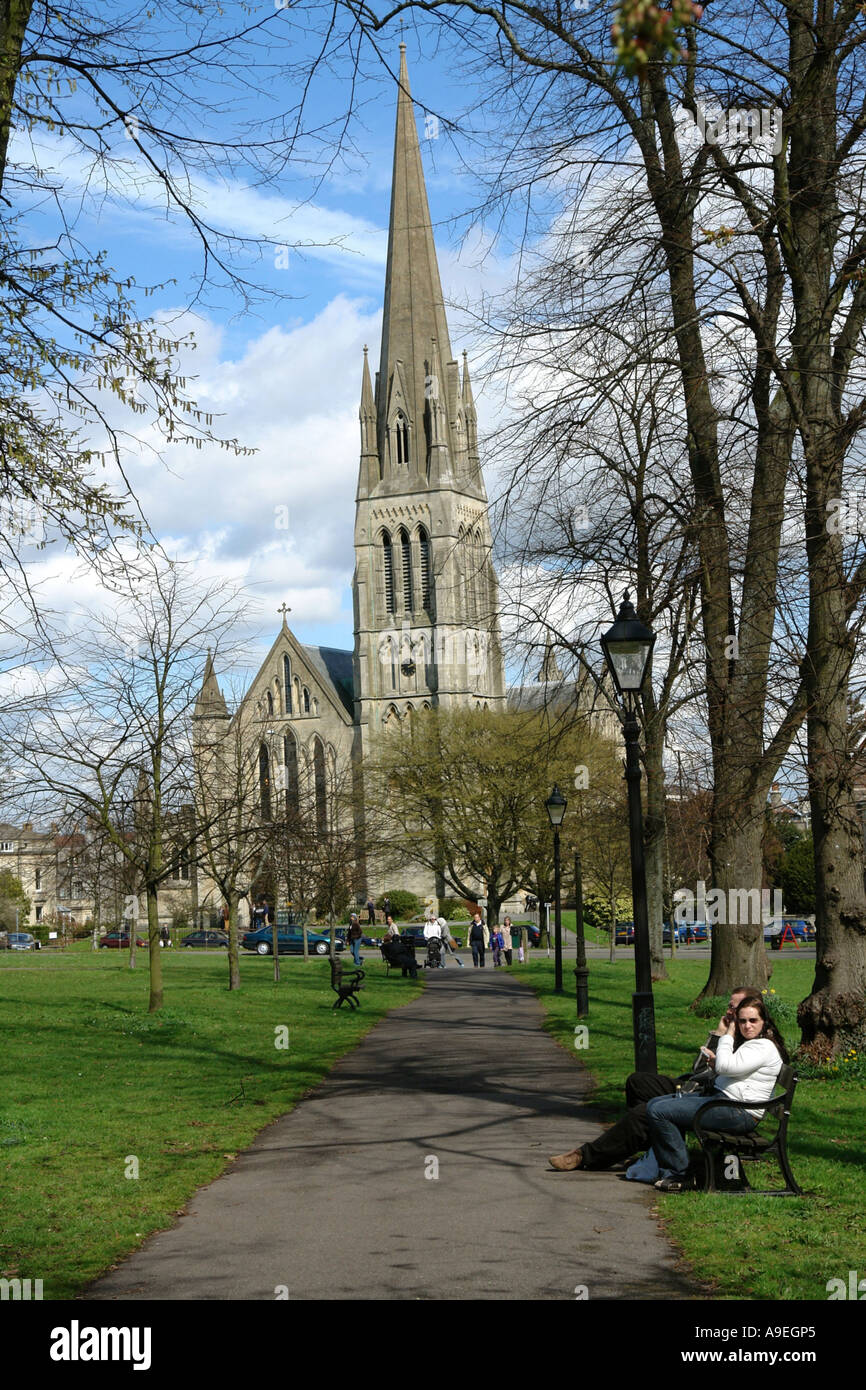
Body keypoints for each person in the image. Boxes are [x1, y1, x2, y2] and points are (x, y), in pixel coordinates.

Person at [548, 986, 759, 1173]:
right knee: (637, 1082)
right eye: (730, 1007)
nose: (729, 1012)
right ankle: (653, 1144)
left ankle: (586, 1156)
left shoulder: (750, 1041)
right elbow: (698, 1069)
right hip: (697, 1086)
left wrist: (726, 1038)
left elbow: (718, 1073)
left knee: (645, 1112)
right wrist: (719, 1032)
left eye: (734, 1008)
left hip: (709, 1096)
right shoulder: (732, 1033)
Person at [646, 994, 788, 1192]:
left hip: (739, 1113)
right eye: (742, 1021)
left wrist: (728, 1033)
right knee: (654, 1105)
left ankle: (682, 1174)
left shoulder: (763, 1046)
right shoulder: (755, 1043)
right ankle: (675, 1169)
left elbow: (725, 1065)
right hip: (725, 1103)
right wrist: (718, 1063)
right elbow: (728, 1068)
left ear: (764, 1022)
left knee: (659, 1111)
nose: (747, 1026)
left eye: (753, 1020)